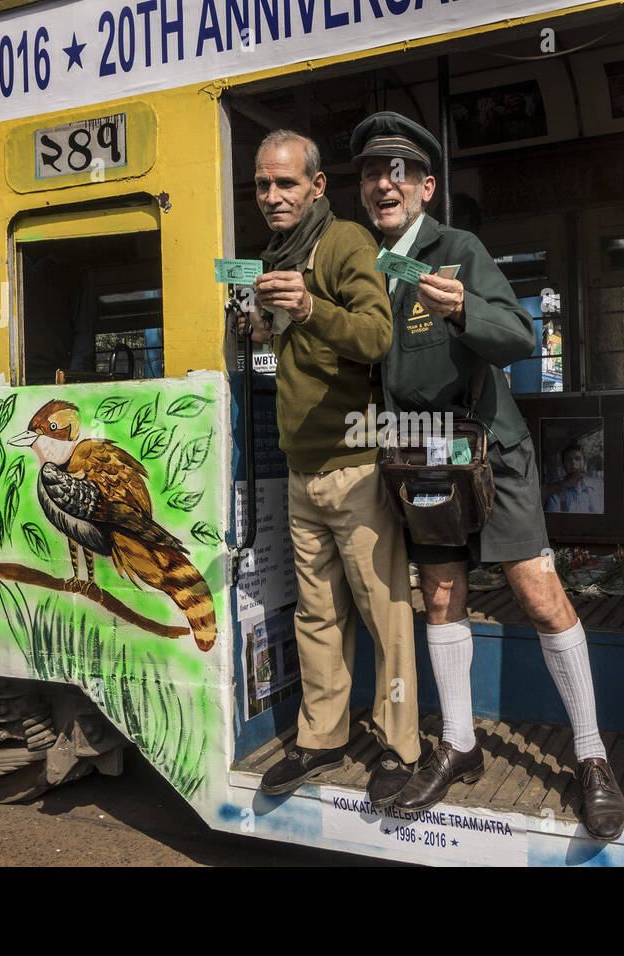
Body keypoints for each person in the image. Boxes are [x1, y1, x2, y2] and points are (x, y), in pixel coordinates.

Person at [351, 111, 624, 841]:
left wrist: (468, 307)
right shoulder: (369, 265)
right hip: (420, 454)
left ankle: (594, 757)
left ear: (425, 186)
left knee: (538, 594)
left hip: (489, 452)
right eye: (374, 173)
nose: (385, 183)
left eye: (399, 172)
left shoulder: (456, 249)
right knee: (442, 597)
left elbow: (518, 336)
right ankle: (462, 747)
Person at [238, 130, 421, 806]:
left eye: (286, 183)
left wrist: (310, 307)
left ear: (317, 186)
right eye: (262, 184)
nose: (272, 195)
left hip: (356, 462)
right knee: (316, 615)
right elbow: (302, 347)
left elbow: (376, 337)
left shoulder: (345, 242)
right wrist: (264, 330)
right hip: (302, 467)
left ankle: (402, 746)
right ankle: (322, 738)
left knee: (384, 613)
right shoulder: (275, 255)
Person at [544, 441, 605, 514]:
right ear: (563, 465)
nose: (573, 462)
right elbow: (555, 518)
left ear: (584, 462)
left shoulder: (594, 488)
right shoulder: (556, 488)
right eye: (569, 459)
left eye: (577, 458)